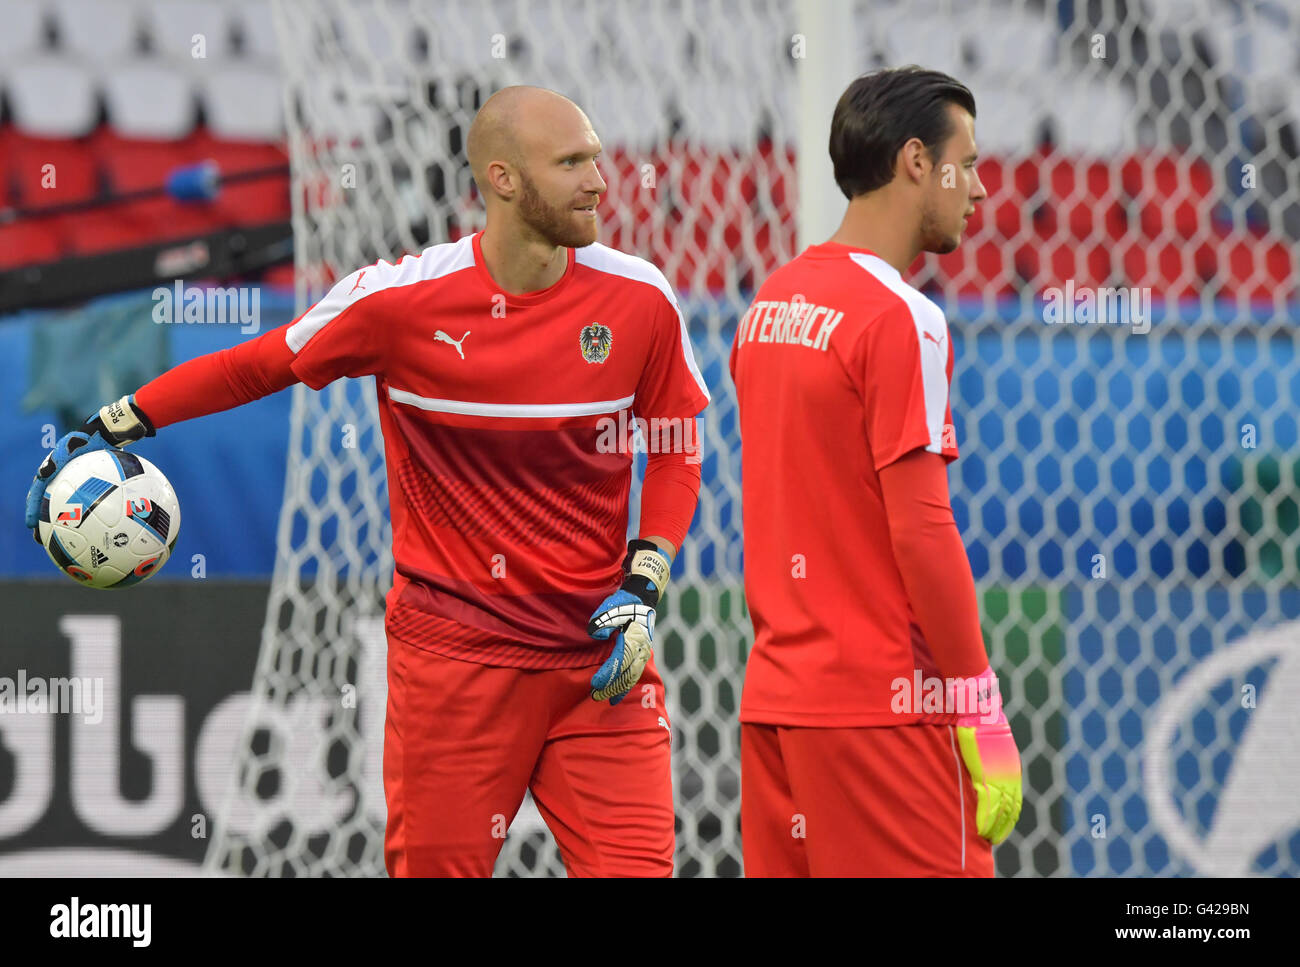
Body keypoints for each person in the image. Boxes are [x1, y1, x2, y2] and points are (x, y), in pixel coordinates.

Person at [26, 86, 710, 878]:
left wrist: (647, 572)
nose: (600, 179)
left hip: (602, 661)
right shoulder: (400, 301)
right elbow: (261, 363)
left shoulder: (642, 298)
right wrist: (126, 418)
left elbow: (675, 444)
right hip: (458, 667)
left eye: (595, 155)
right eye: (572, 162)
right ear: (504, 179)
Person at [730, 66, 1023, 877]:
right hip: (882, 712)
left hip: (778, 706)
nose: (981, 188)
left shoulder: (769, 306)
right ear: (917, 161)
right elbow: (922, 527)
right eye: (967, 163)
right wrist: (977, 702)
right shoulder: (903, 317)